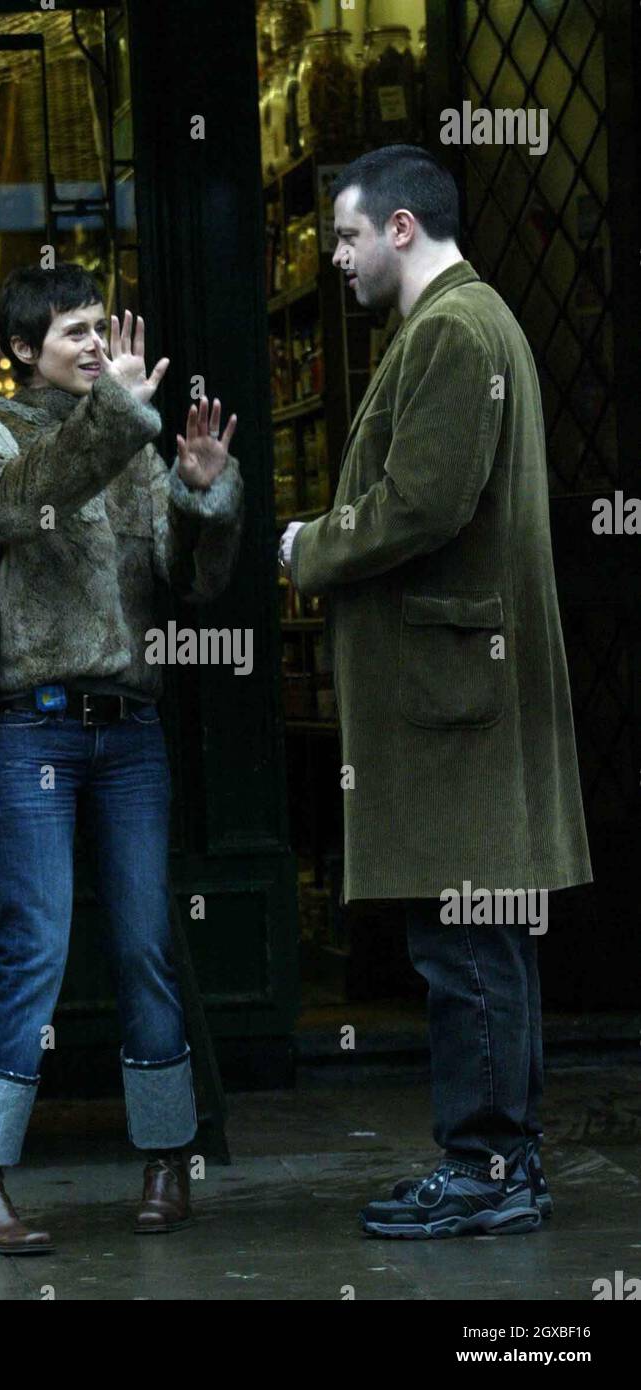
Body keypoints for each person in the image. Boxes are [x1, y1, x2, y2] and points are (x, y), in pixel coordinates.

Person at [280, 145, 592, 1239]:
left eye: (348, 237)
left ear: (400, 228)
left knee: (467, 944)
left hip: (455, 703)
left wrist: (305, 546)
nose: (336, 258)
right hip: (452, 696)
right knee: (471, 941)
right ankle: (491, 1163)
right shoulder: (462, 325)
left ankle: (494, 1169)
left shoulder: (455, 332)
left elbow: (420, 504)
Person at [0, 263, 243, 1253]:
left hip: (129, 730)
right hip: (37, 725)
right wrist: (119, 420)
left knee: (147, 943)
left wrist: (203, 503)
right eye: (73, 331)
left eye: (99, 329)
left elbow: (185, 585)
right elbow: (17, 506)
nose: (94, 347)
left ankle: (164, 1159)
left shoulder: (131, 434)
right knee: (32, 942)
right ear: (24, 347)